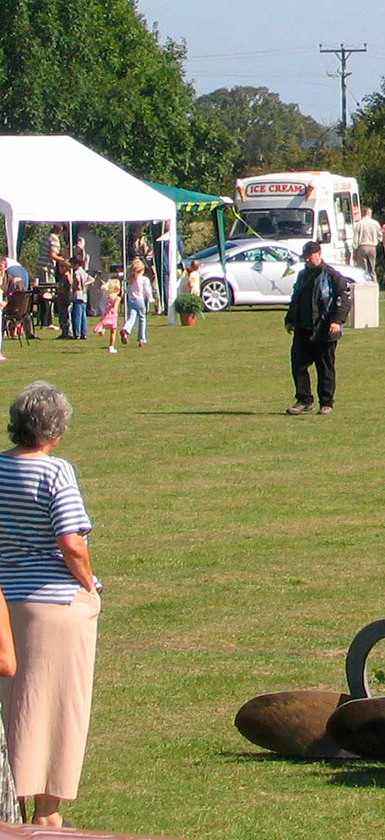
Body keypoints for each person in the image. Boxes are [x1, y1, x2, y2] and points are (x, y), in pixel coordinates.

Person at [2, 382, 99, 827]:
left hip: (5, 602)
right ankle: (47, 816)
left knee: (14, 711)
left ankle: (13, 811)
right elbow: (71, 543)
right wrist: (90, 586)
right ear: (56, 431)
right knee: (58, 712)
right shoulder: (56, 472)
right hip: (53, 604)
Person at [281, 241, 351, 414]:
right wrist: (290, 319)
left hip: (325, 329)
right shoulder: (303, 276)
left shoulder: (332, 276)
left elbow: (343, 301)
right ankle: (304, 400)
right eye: (305, 257)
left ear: (319, 254)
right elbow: (295, 298)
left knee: (325, 367)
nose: (307, 260)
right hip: (303, 328)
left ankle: (326, 403)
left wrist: (337, 321)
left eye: (310, 256)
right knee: (298, 365)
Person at [122, 260, 153, 348]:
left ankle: (126, 329)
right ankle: (142, 339)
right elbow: (147, 290)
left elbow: (127, 290)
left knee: (132, 317)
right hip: (140, 300)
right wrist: (150, 297)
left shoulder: (130, 279)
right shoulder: (144, 279)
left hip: (131, 300)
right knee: (142, 318)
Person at [351, 206, 384, 285]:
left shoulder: (359, 223)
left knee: (363, 269)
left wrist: (354, 250)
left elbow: (356, 238)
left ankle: (365, 285)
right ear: (369, 213)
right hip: (372, 246)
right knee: (372, 268)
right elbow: (380, 236)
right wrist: (377, 242)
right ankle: (374, 284)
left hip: (362, 246)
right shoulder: (375, 223)